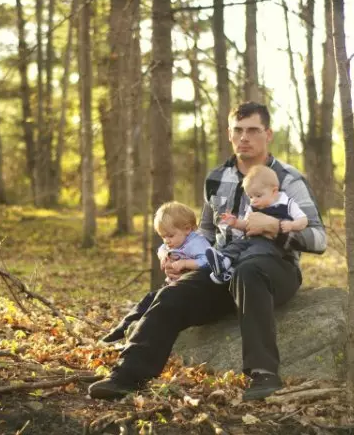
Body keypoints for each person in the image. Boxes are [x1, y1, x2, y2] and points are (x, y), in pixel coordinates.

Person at [89, 101, 326, 402]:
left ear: (268, 134)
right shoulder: (217, 178)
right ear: (229, 134)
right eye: (238, 130)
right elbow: (206, 233)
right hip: (223, 268)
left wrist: (277, 226)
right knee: (171, 295)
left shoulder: (289, 179)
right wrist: (184, 259)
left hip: (274, 269)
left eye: (253, 130)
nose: (245, 137)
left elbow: (319, 238)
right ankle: (126, 377)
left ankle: (264, 373)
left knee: (248, 271)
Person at [101, 201, 211, 344]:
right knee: (147, 301)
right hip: (171, 286)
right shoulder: (175, 240)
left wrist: (185, 263)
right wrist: (163, 255)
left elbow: (208, 261)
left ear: (188, 229)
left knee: (156, 305)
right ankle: (122, 329)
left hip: (189, 291)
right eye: (163, 236)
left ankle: (138, 337)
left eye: (170, 236)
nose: (167, 240)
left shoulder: (197, 243)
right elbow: (161, 249)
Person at [206, 164, 308, 283]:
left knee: (253, 252)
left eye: (258, 195)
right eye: (250, 196)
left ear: (274, 191)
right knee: (236, 244)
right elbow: (246, 225)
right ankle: (223, 262)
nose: (254, 200)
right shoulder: (254, 207)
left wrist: (291, 225)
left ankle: (230, 271)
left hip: (272, 244)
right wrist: (234, 222)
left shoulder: (287, 203)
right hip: (250, 238)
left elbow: (303, 220)